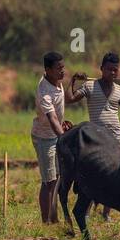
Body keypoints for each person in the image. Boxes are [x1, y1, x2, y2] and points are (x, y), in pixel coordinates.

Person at [32, 51, 88, 224]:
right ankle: (45, 222)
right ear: (48, 70)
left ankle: (53, 217)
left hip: (56, 136)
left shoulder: (57, 82)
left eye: (63, 67)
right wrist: (65, 137)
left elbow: (64, 103)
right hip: (44, 139)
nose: (63, 71)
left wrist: (73, 81)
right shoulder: (44, 92)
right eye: (59, 69)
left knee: (56, 179)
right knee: (48, 181)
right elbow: (52, 119)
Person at [85, 51, 120, 145]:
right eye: (109, 69)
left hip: (116, 139)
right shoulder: (89, 86)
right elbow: (69, 99)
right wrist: (73, 80)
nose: (112, 72)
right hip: (97, 139)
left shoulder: (119, 90)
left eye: (115, 70)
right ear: (102, 69)